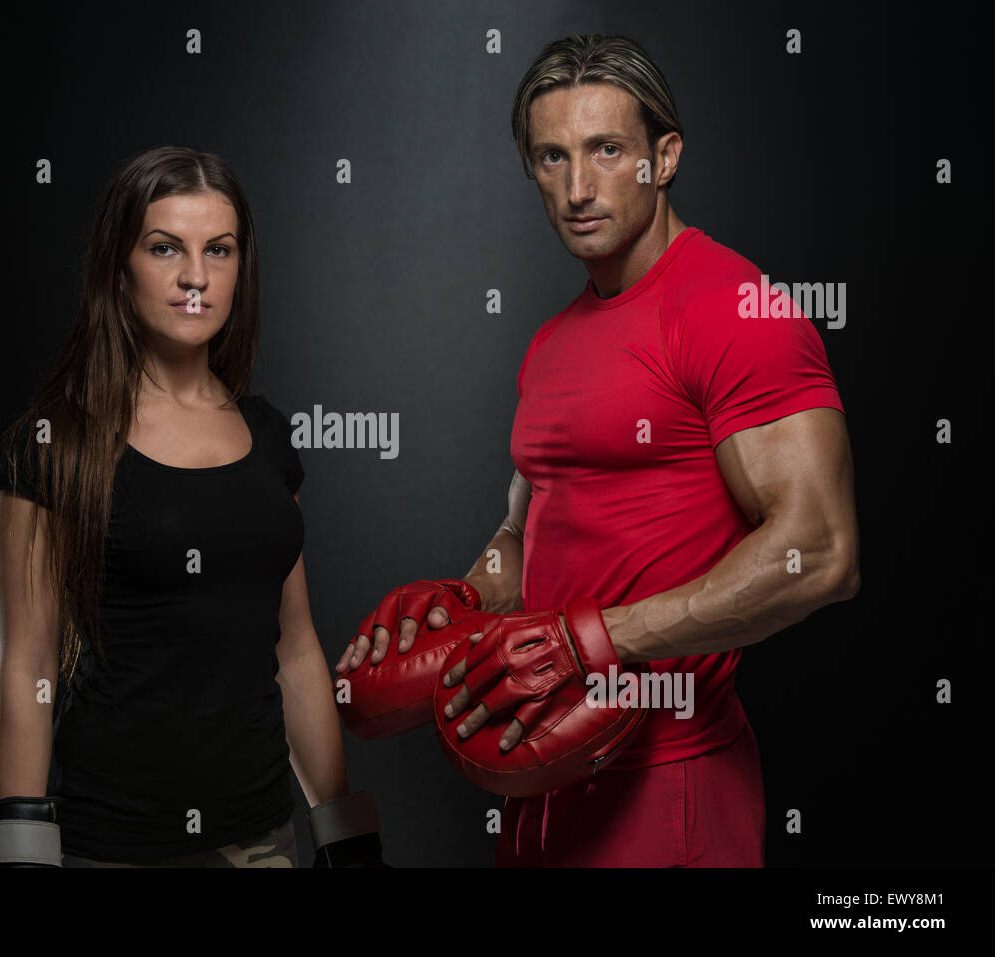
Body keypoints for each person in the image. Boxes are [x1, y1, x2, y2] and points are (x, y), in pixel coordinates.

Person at [337, 34, 860, 867]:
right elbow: (534, 522)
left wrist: (594, 640)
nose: (578, 188)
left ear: (666, 156)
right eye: (551, 157)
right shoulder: (552, 340)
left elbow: (821, 549)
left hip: (672, 781)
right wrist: (461, 611)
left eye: (607, 150)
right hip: (542, 776)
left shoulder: (736, 308)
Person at [0, 146, 383, 868]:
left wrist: (345, 833)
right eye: (165, 248)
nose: (196, 276)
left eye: (218, 250)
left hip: (261, 843)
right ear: (119, 266)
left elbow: (294, 650)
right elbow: (27, 668)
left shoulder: (268, 438)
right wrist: (16, 853)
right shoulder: (54, 445)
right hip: (113, 848)